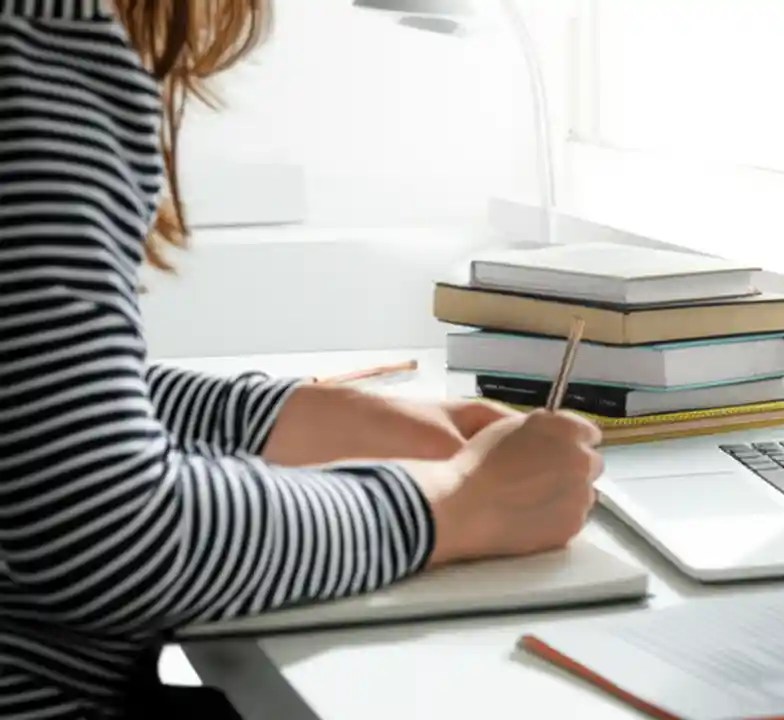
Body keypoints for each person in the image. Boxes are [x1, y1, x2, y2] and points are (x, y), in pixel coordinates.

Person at [0, 1, 604, 717]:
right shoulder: (36, 45)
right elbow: (105, 535)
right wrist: (457, 503)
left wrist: (275, 417)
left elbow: (34, 401)